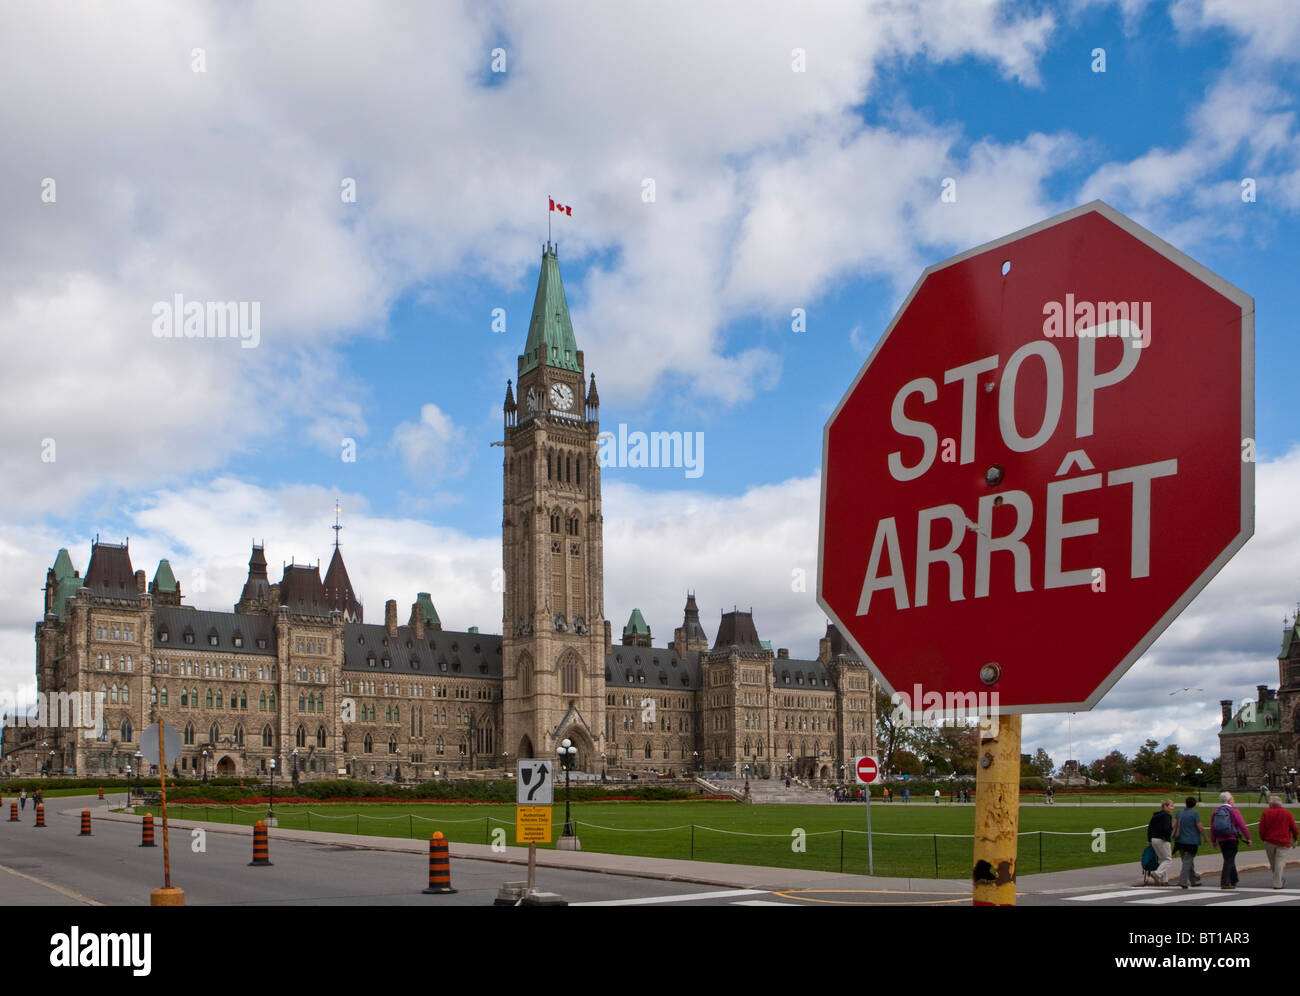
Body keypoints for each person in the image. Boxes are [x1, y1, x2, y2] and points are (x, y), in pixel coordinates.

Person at [1210, 791, 1252, 890]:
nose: (1234, 800)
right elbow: (1242, 826)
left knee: (1228, 859)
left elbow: (1213, 828)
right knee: (1229, 860)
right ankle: (1225, 882)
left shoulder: (1215, 811)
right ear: (1229, 800)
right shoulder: (1234, 811)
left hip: (1221, 839)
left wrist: (1213, 840)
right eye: (1233, 799)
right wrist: (1248, 838)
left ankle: (1234, 880)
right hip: (1232, 837)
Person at [1259, 795, 1299, 889]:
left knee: (1274, 863)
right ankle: (1278, 880)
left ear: (1271, 804)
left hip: (1270, 841)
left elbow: (1262, 828)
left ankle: (1277, 883)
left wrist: (1263, 838)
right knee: (1279, 863)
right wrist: (1295, 838)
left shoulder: (1266, 813)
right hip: (1283, 841)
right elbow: (1294, 828)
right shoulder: (1287, 813)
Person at [1173, 796, 1205, 889]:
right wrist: (1205, 837)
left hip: (1180, 841)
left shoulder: (1179, 812)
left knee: (1187, 861)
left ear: (1185, 803)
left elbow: (1174, 825)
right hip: (1191, 841)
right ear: (1194, 804)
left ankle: (1194, 880)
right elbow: (1200, 827)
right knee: (1187, 862)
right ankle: (1183, 881)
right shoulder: (1194, 814)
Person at [1145, 799, 1177, 886]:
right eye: (1171, 806)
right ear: (1165, 806)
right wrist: (1172, 827)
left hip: (1154, 839)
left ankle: (1164, 881)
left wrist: (1149, 840)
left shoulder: (1156, 815)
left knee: (1162, 859)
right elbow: (1166, 829)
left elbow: (1150, 828)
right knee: (1168, 859)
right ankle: (1157, 874)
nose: (1172, 808)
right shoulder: (1166, 816)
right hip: (1162, 839)